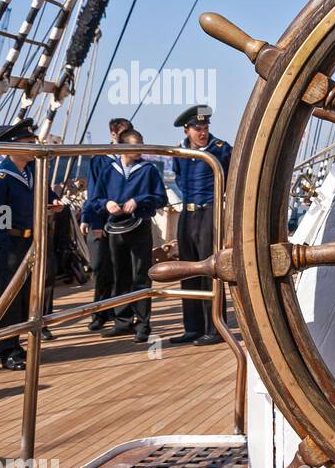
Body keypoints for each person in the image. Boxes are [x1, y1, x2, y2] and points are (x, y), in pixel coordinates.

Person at [0, 120, 61, 369]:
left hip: (32, 241)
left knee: (30, 293)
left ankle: (16, 340)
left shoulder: (33, 171)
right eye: (28, 143)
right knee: (10, 296)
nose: (34, 147)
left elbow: (45, 193)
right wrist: (2, 243)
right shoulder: (1, 177)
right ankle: (8, 348)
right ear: (12, 147)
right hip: (10, 243)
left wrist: (54, 202)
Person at [88, 129, 167, 343]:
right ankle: (122, 321)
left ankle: (143, 325)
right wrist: (106, 204)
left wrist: (139, 200)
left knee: (140, 276)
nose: (140, 149)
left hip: (139, 226)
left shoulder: (148, 170)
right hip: (115, 228)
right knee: (119, 276)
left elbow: (161, 199)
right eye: (135, 146)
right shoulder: (108, 171)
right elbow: (95, 199)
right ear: (123, 147)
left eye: (141, 144)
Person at [172, 105, 231, 345]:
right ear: (187, 130)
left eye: (205, 127)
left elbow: (233, 177)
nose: (202, 132)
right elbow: (178, 178)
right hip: (188, 215)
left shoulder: (221, 150)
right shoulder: (180, 152)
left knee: (210, 270)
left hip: (210, 213)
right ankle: (193, 327)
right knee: (188, 270)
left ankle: (214, 327)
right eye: (197, 128)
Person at [83, 118, 132, 332]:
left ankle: (122, 314)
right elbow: (94, 194)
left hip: (127, 223)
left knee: (123, 270)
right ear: (113, 134)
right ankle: (100, 313)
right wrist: (95, 222)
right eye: (122, 134)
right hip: (104, 221)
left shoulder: (132, 158)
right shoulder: (100, 160)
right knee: (102, 269)